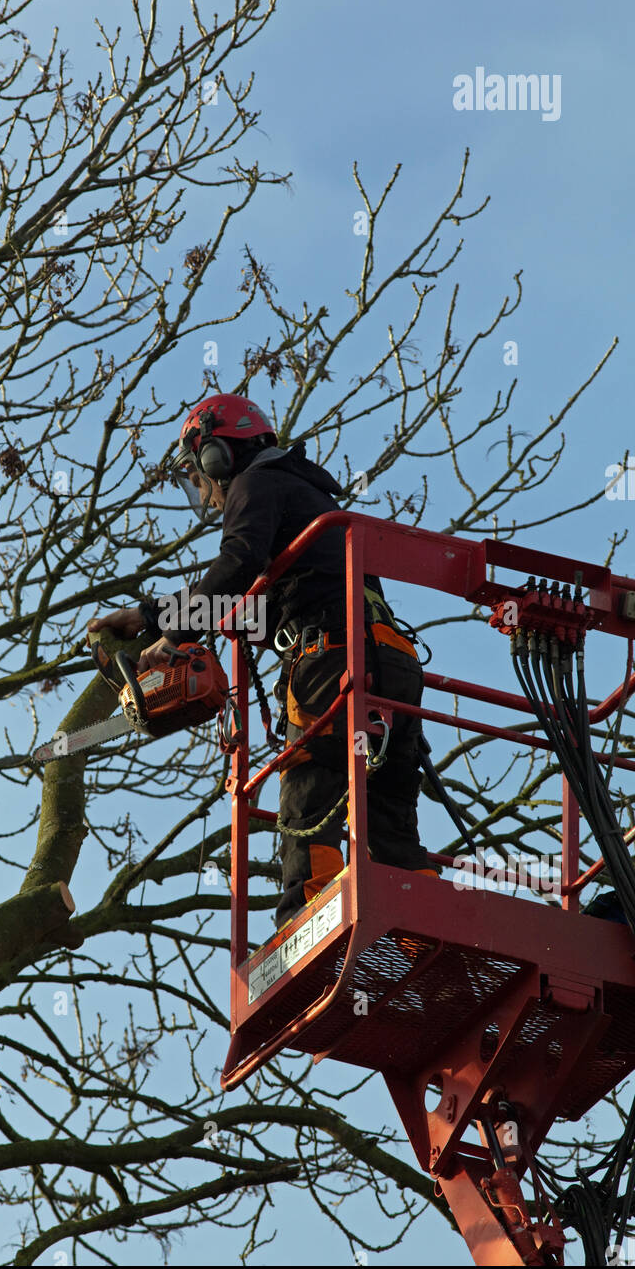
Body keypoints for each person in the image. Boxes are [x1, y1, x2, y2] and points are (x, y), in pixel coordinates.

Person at [88, 393, 436, 929]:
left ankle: (307, 931)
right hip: (391, 662)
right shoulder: (306, 499)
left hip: (331, 663)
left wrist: (175, 631)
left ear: (217, 456)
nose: (202, 489)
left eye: (198, 472)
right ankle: (422, 935)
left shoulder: (254, 484)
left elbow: (237, 564)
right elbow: (260, 610)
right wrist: (149, 618)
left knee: (306, 791)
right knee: (388, 821)